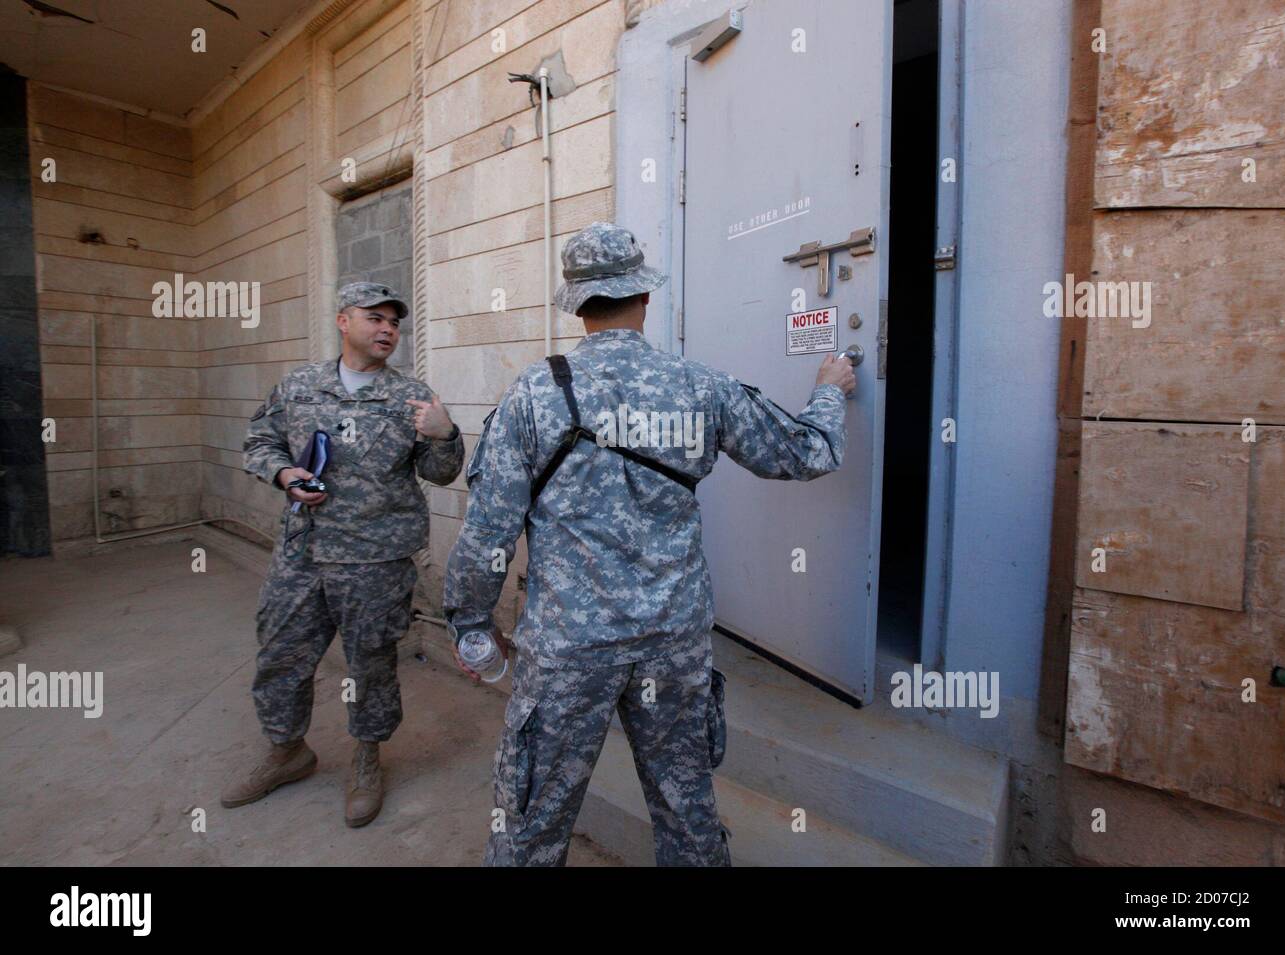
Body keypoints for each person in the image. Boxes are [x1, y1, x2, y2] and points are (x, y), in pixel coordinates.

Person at [443, 222, 856, 865]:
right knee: (686, 809)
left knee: (531, 821)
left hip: (569, 649)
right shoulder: (698, 386)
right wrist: (830, 390)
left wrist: (472, 623)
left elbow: (489, 533)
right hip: (673, 638)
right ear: (644, 297)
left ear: (577, 304)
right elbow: (806, 452)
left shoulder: (533, 394)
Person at [222, 281, 464, 828]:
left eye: (394, 323)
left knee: (371, 663)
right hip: (303, 551)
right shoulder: (299, 385)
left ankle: (366, 760)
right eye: (375, 318)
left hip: (376, 558)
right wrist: (285, 474)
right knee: (280, 653)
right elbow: (260, 441)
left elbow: (441, 472)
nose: (387, 330)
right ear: (343, 321)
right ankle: (287, 751)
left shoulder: (413, 395)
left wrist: (445, 434)